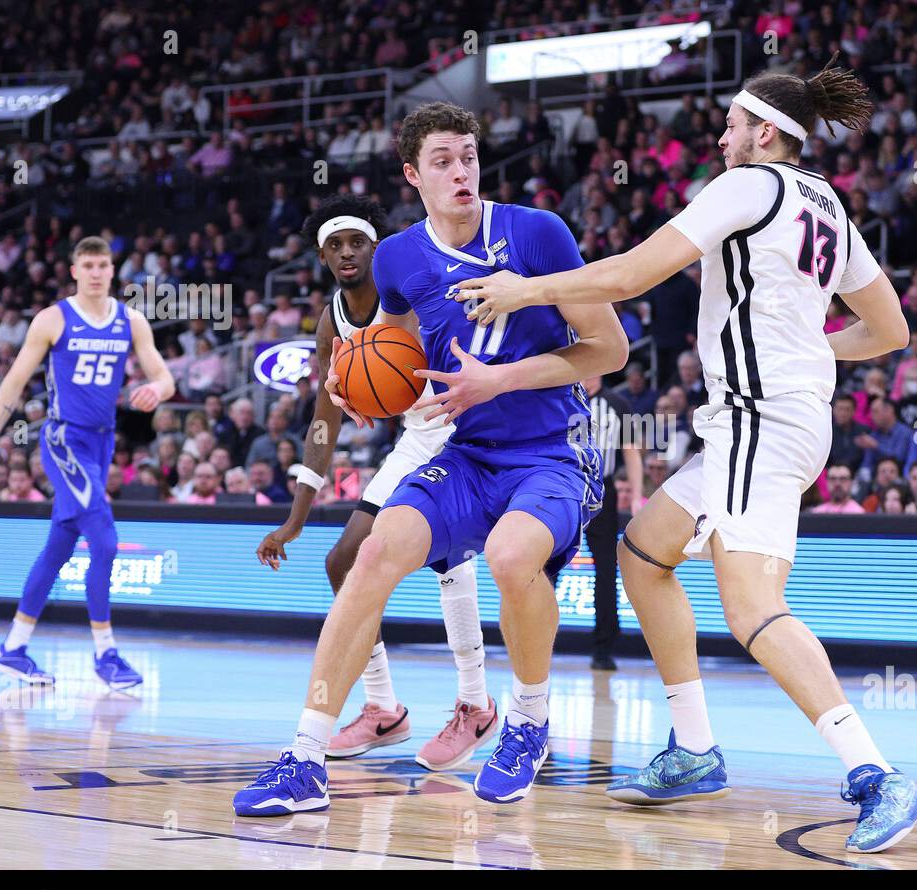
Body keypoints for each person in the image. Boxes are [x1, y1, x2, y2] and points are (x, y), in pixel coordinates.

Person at [456, 58, 917, 852]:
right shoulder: (827, 200)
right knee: (643, 553)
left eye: (733, 125)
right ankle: (694, 748)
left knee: (752, 609)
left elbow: (639, 271)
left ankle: (876, 775)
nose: (721, 136)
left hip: (758, 420)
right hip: (771, 419)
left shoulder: (748, 185)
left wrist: (524, 290)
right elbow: (891, 331)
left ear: (765, 134)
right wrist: (809, 355)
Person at [232, 101, 626, 817]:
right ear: (414, 174)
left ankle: (527, 721)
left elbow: (610, 349)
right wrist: (352, 382)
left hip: (551, 451)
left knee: (510, 557)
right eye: (443, 161)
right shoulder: (398, 258)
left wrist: (500, 377)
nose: (461, 172)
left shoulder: (539, 233)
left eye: (469, 156)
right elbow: (390, 343)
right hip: (468, 452)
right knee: (369, 554)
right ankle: (306, 757)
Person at [254, 194, 493, 766]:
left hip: (463, 424)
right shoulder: (331, 321)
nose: (346, 253)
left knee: (450, 558)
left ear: (376, 247)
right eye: (334, 245)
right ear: (321, 256)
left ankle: (476, 704)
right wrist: (294, 519)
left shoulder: (410, 289)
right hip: (417, 437)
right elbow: (324, 420)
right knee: (342, 563)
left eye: (356, 241)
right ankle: (383, 709)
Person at [0, 236, 175, 688]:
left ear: (112, 270)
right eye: (87, 265)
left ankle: (12, 648)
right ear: (74, 271)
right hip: (64, 440)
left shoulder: (132, 320)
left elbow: (163, 375)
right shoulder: (53, 319)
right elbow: (11, 385)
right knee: (104, 541)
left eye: (103, 265)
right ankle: (106, 655)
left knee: (60, 546)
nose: (96, 272)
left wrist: (156, 391)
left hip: (103, 444)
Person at [583, 374, 644, 670]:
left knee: (606, 568)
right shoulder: (559, 395)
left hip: (602, 490)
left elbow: (631, 452)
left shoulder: (618, 404)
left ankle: (603, 646)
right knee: (546, 567)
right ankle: (538, 636)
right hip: (561, 487)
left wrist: (636, 495)